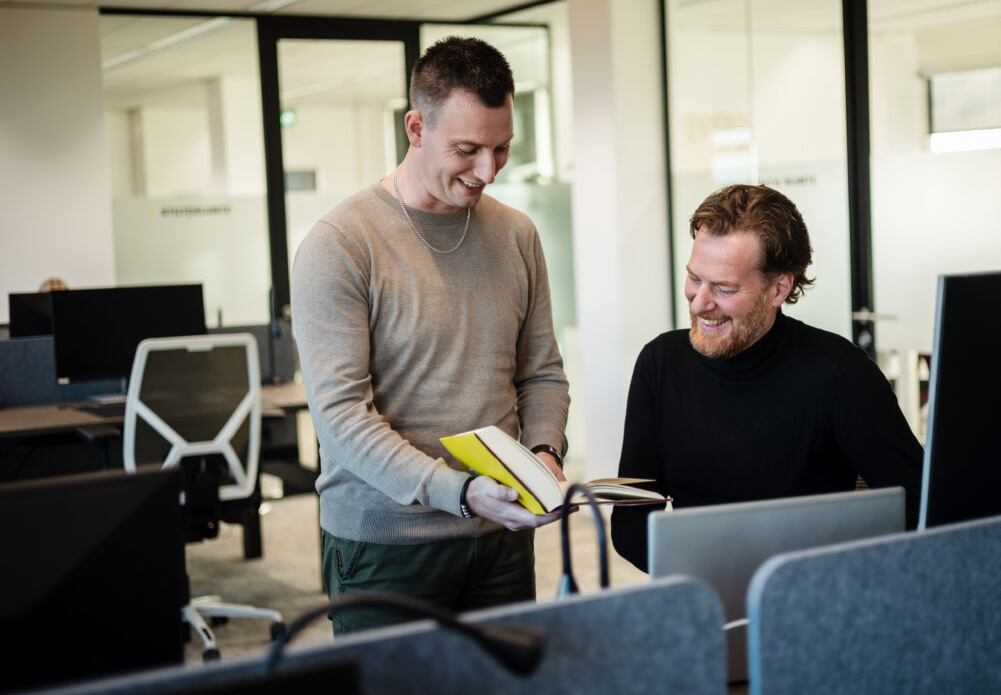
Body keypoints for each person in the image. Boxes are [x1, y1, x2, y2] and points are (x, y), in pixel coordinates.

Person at [291, 36, 570, 634]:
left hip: (500, 535)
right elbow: (341, 419)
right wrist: (458, 493)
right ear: (416, 127)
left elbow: (541, 370)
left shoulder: (516, 234)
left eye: (502, 149)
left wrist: (543, 456)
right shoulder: (341, 243)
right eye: (467, 149)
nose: (487, 171)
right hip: (387, 547)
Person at [611, 184, 923, 572]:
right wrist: (707, 577)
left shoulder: (841, 372)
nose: (699, 302)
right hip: (700, 596)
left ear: (779, 288)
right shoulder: (660, 364)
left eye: (724, 288)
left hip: (811, 593)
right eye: (695, 279)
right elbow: (630, 523)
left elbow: (920, 504)